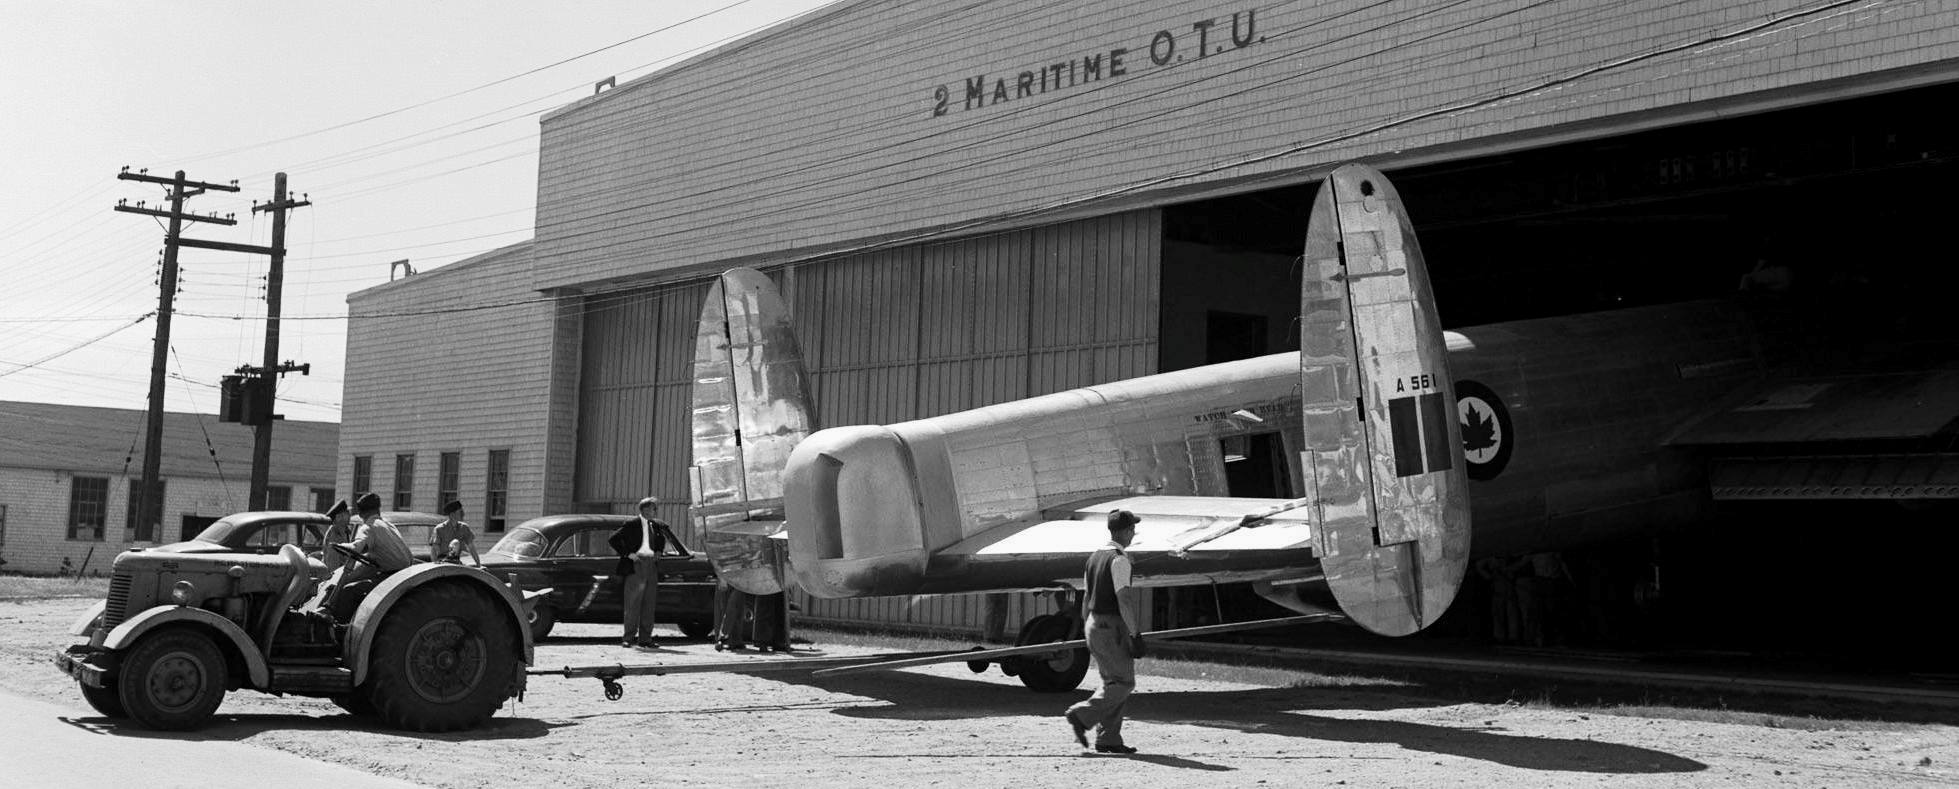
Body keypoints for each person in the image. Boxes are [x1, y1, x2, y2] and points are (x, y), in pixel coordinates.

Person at [1063, 509, 1146, 755]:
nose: (1134, 533)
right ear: (1125, 531)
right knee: (1123, 683)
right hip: (1112, 626)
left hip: (1093, 623)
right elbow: (1124, 601)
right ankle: (1082, 714)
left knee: (1112, 682)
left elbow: (1087, 595)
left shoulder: (1094, 558)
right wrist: (1135, 633)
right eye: (1132, 529)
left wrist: (1087, 627)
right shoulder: (1119, 560)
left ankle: (1109, 738)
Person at [608, 496, 689, 649]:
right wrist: (628, 554)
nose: (655, 511)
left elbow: (660, 541)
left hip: (651, 564)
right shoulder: (632, 524)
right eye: (653, 508)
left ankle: (646, 638)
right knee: (633, 603)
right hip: (637, 564)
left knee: (649, 603)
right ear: (645, 509)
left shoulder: (656, 525)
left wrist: (659, 551)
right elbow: (613, 539)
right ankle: (628, 637)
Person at [431, 500, 481, 566]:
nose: (463, 514)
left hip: (456, 563)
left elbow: (471, 547)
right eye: (460, 512)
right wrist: (436, 566)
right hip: (442, 563)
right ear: (452, 514)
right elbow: (434, 550)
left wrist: (478, 564)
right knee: (455, 542)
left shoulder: (464, 528)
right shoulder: (439, 529)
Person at [318, 499, 355, 574]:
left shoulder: (346, 531)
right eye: (347, 513)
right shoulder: (334, 536)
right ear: (339, 517)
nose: (350, 515)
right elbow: (332, 564)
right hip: (335, 578)